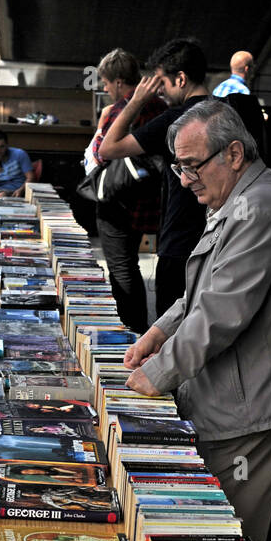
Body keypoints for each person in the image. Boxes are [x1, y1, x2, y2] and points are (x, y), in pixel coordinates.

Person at [122, 98, 271, 541]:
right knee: (259, 527)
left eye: (192, 165)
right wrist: (158, 331)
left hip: (255, 400)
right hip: (253, 390)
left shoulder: (257, 209)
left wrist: (155, 376)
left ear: (234, 154)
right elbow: (204, 291)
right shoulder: (238, 197)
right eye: (178, 166)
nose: (184, 178)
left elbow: (219, 313)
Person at [99, 38, 210, 318]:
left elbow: (108, 148)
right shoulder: (224, 113)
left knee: (169, 331)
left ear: (181, 79)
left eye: (162, 81)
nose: (158, 89)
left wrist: (136, 100)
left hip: (178, 241)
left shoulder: (175, 119)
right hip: (214, 239)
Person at [85, 48, 164, 334]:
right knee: (131, 266)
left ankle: (131, 330)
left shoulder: (118, 110)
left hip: (117, 202)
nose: (104, 89)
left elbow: (96, 158)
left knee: (121, 268)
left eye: (105, 83)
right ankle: (140, 328)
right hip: (148, 202)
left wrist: (101, 124)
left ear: (119, 82)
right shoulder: (159, 107)